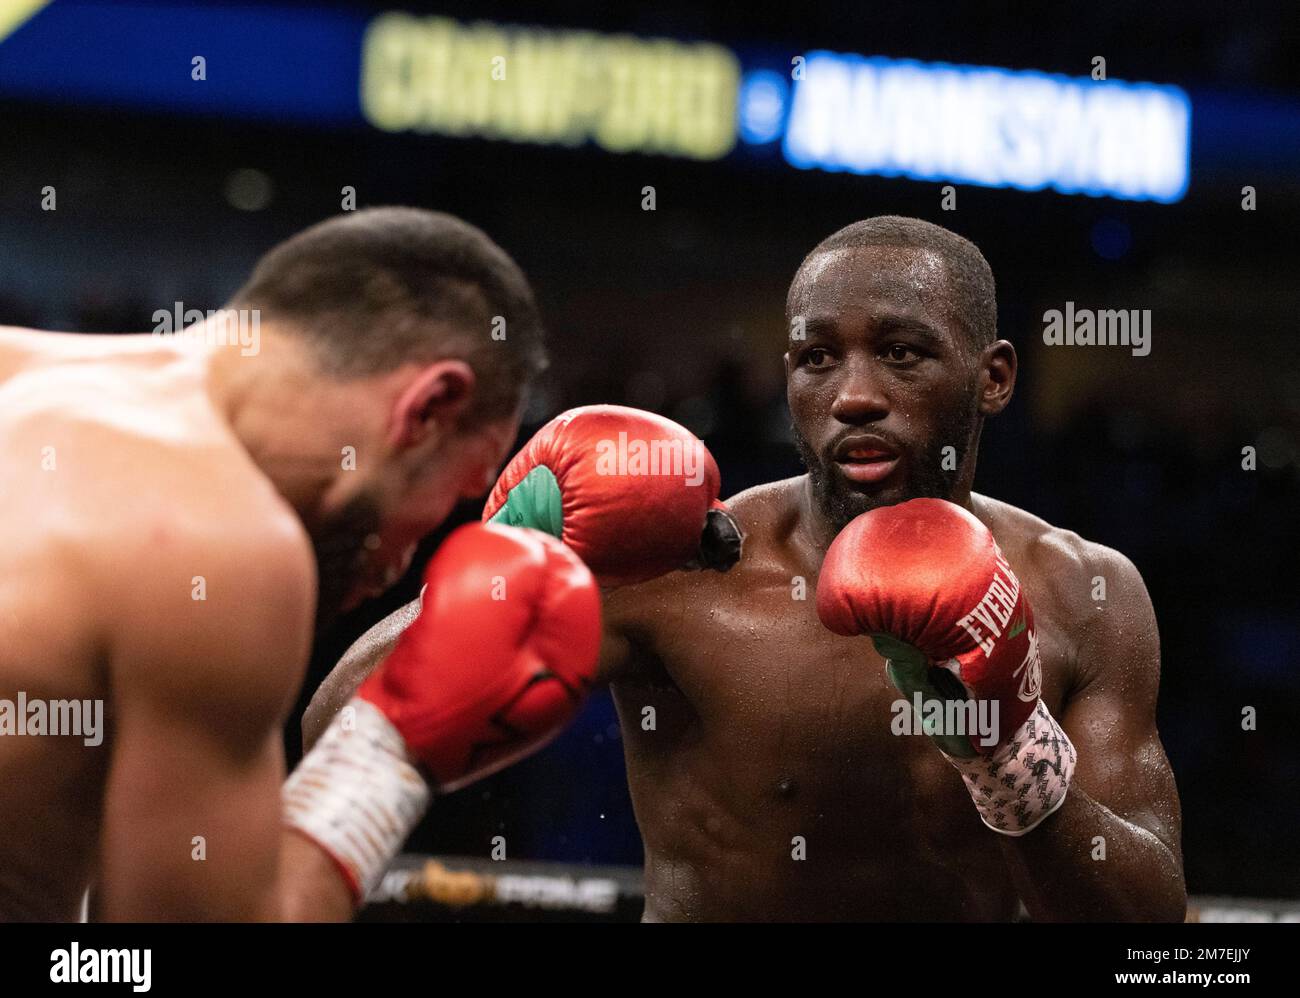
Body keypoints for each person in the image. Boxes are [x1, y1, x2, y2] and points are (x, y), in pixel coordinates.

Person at [308, 216, 1186, 921]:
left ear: (993, 379)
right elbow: (337, 737)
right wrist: (513, 561)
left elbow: (1153, 934)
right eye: (817, 358)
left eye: (902, 353)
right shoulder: (675, 565)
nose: (853, 394)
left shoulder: (1083, 593)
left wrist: (1013, 760)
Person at [0, 206, 604, 921]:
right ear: (429, 407)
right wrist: (383, 760)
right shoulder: (219, 539)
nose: (403, 562)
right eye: (457, 493)